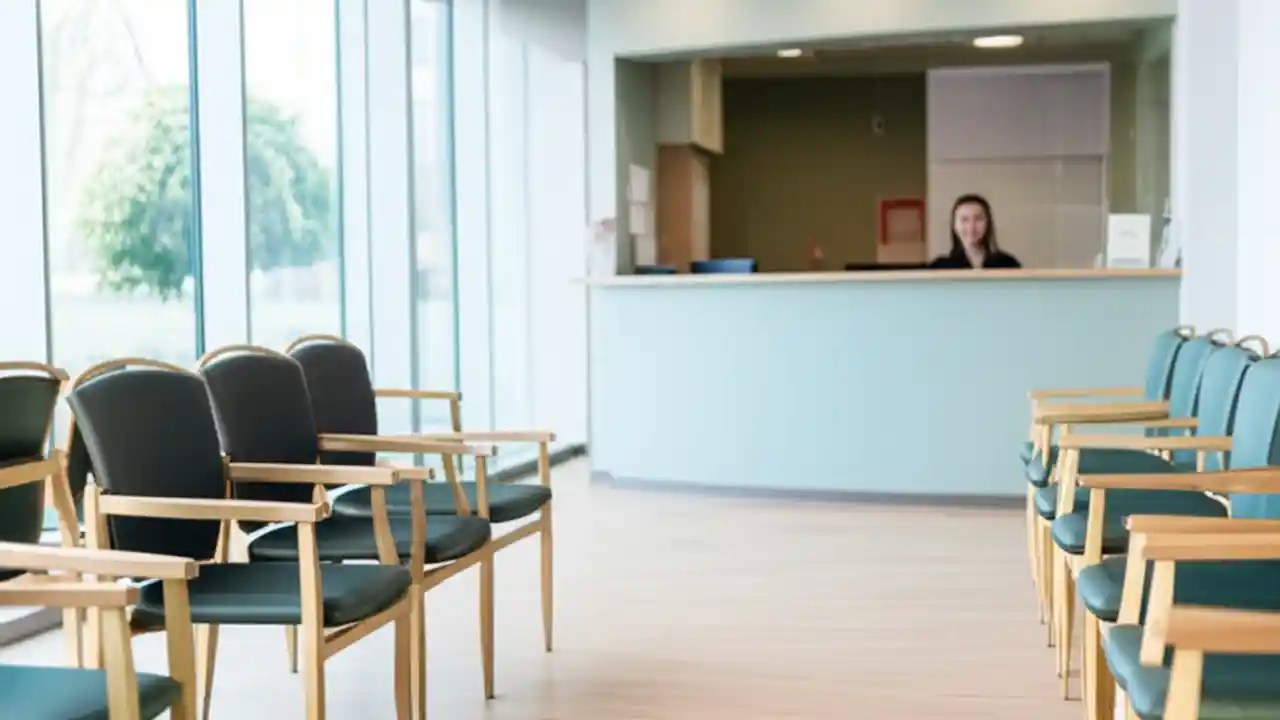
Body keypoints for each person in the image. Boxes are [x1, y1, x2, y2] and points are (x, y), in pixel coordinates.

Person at [928, 194, 1022, 269]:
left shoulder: (1008, 264)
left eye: (978, 219)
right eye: (964, 220)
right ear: (954, 226)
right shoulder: (939, 267)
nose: (971, 226)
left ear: (988, 223)